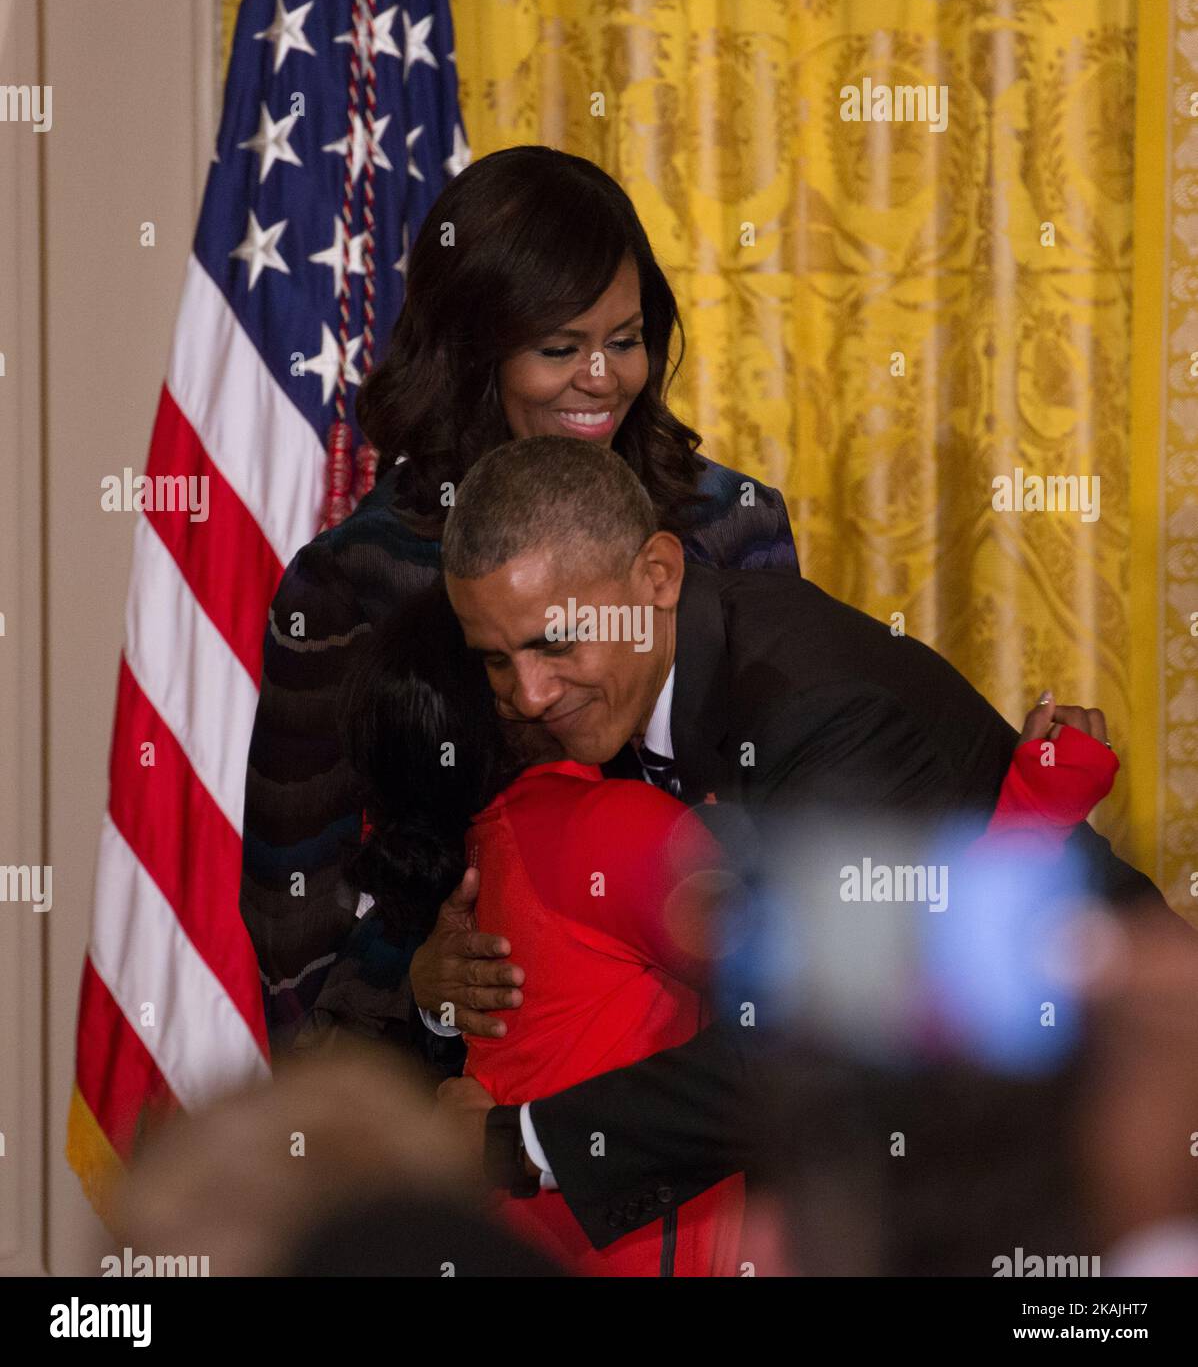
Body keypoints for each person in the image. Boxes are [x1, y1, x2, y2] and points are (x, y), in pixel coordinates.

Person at [419, 433, 1163, 1252]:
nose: (527, 693)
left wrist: (518, 1146)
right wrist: (438, 985)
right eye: (497, 660)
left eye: (557, 643)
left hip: (1100, 1120)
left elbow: (808, 1037)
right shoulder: (633, 681)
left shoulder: (817, 708)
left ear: (657, 577)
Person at [238, 145, 798, 1058]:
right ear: (471, 354)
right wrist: (412, 984)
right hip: (469, 1104)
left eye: (624, 340)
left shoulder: (729, 526)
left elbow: (796, 807)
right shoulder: (353, 579)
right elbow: (293, 907)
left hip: (704, 1089)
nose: (603, 378)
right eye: (558, 349)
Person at [340, 585, 743, 1276]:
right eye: (509, 657)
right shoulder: (606, 828)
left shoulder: (485, 841)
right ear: (501, 702)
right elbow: (816, 998)